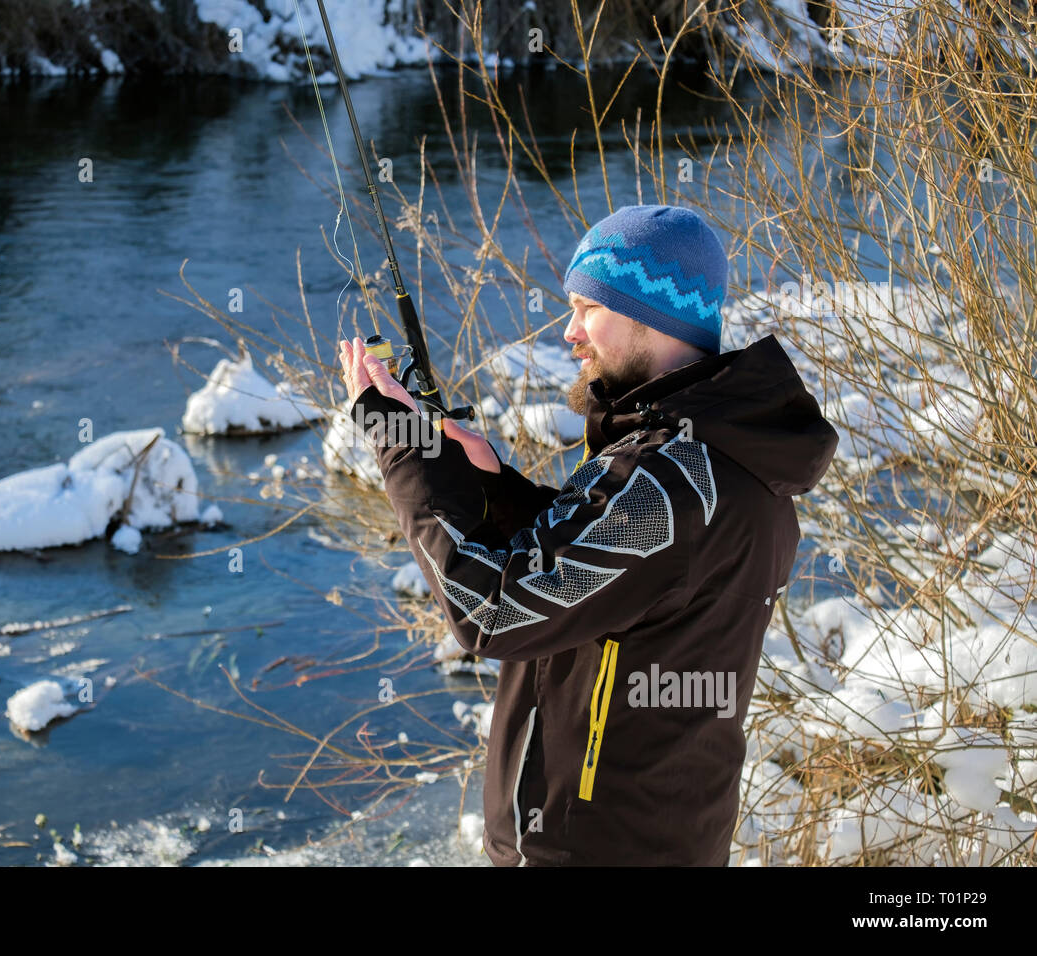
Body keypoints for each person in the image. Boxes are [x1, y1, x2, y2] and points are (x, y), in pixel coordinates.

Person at [339, 204, 839, 866]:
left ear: (651, 315)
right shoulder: (720, 456)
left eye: (587, 308)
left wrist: (402, 446)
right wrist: (498, 489)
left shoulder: (671, 477)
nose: (571, 332)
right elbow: (622, 576)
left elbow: (494, 612)